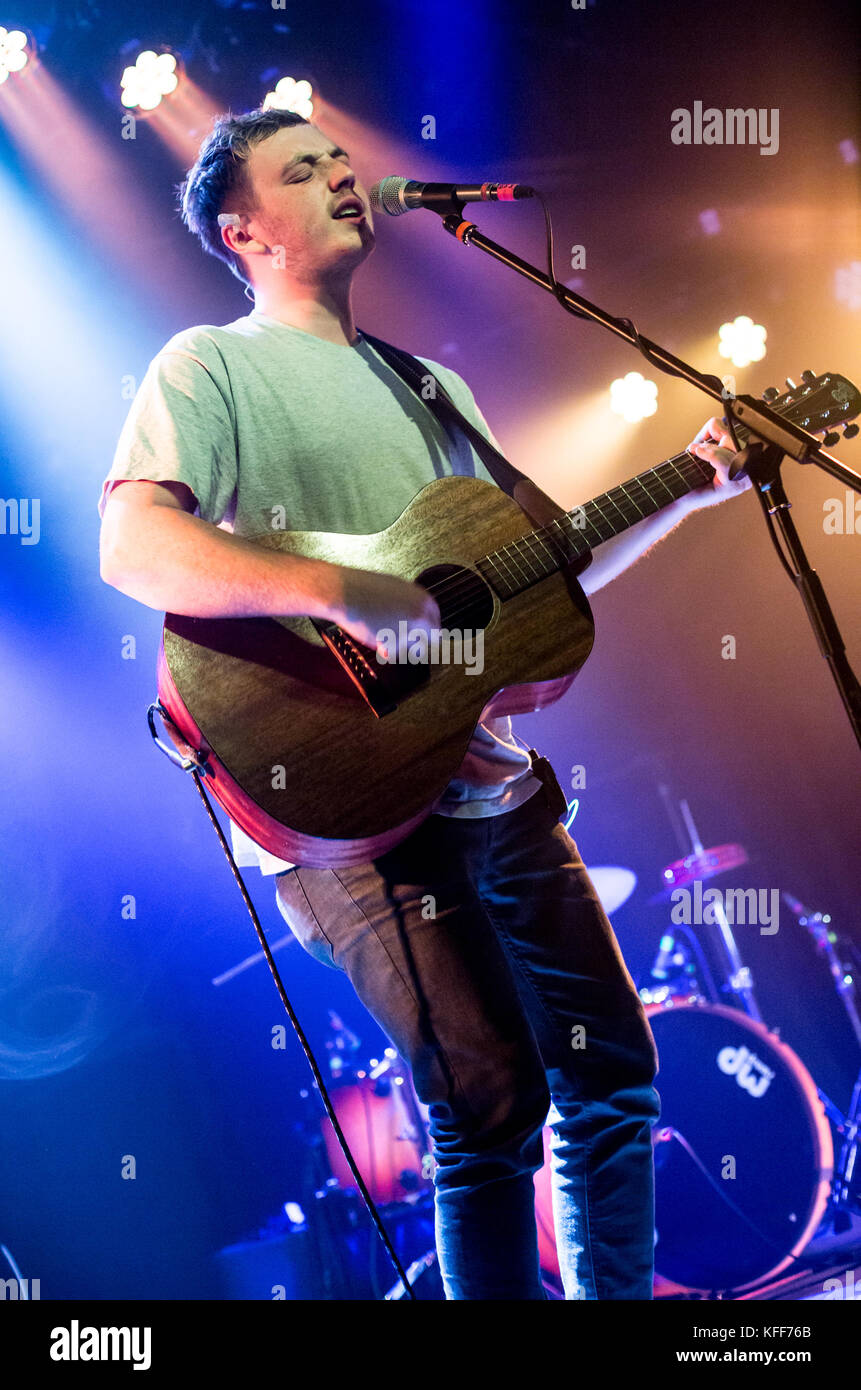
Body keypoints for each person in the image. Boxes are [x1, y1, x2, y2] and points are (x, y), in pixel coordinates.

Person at [98, 107, 748, 1300]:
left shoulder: (428, 380)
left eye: (341, 158)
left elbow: (530, 575)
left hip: (488, 776)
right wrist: (342, 592)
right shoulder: (209, 364)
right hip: (338, 789)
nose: (345, 175)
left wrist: (691, 492)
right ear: (242, 230)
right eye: (305, 169)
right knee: (490, 1097)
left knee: (613, 1075)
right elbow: (133, 544)